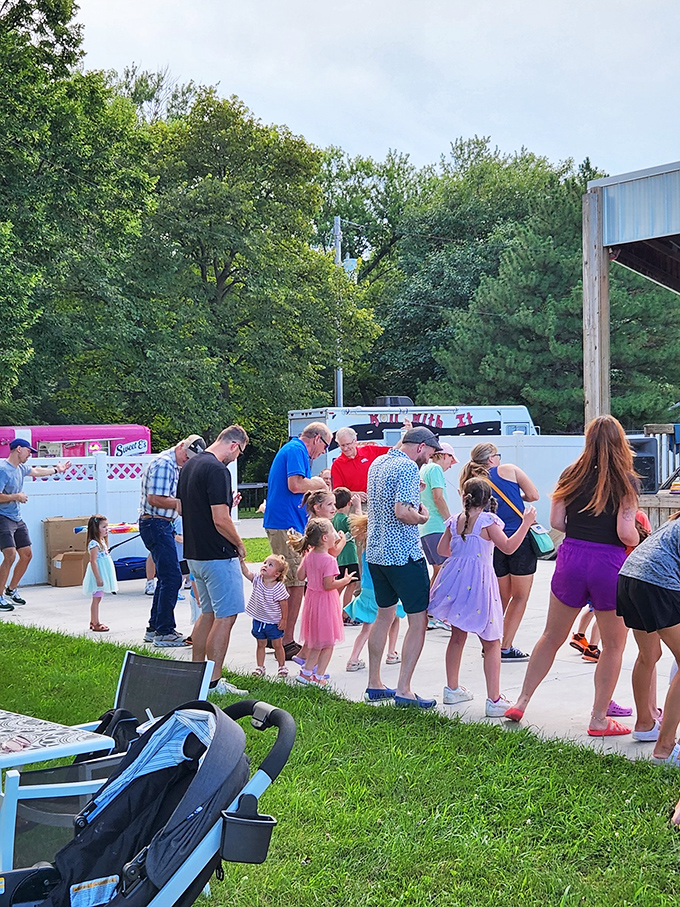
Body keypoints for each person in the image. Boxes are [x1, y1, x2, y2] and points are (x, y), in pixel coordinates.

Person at [505, 415, 640, 735]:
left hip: (572, 557)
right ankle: (597, 719)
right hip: (608, 562)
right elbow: (626, 533)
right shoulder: (627, 482)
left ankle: (521, 701)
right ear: (621, 442)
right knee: (613, 646)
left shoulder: (571, 474)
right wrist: (638, 532)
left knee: (551, 636)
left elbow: (558, 521)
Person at [429, 478, 536, 715]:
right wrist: (526, 523)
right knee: (492, 640)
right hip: (479, 584)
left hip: (456, 582)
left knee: (457, 635)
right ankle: (494, 699)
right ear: (488, 500)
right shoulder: (488, 521)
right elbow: (508, 547)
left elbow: (442, 551)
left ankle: (452, 688)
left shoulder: (454, 521)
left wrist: (462, 554)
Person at [364, 426, 443, 709]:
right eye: (431, 453)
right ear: (420, 447)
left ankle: (374, 683)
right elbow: (402, 511)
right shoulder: (409, 467)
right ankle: (404, 690)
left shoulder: (379, 461)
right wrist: (421, 517)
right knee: (418, 620)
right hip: (404, 555)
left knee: (383, 616)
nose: (430, 459)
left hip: (376, 553)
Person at [177, 425, 248, 694]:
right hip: (218, 554)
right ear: (234, 445)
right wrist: (239, 544)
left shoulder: (190, 465)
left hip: (195, 553)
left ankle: (197, 675)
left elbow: (189, 508)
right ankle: (214, 681)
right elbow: (220, 520)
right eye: (239, 452)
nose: (236, 458)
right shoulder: (218, 470)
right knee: (226, 616)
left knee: (207, 613)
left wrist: (228, 506)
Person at [458, 442, 539, 661]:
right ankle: (505, 646)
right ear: (492, 458)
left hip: (493, 540)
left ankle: (491, 642)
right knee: (520, 597)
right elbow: (533, 495)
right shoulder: (510, 470)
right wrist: (515, 497)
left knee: (501, 596)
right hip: (518, 538)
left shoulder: (470, 481)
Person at [263, 422, 331, 659]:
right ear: (316, 438)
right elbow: (295, 485)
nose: (323, 452)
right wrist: (319, 483)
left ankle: (280, 637)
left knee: (291, 581)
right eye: (325, 446)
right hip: (285, 523)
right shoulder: (296, 450)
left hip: (287, 522)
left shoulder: (296, 450)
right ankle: (286, 640)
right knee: (294, 582)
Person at [616, 512, 680, 763]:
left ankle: (645, 724)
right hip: (657, 583)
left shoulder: (673, 523)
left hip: (629, 577)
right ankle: (664, 749)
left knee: (649, 655)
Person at [139, 434, 206, 647]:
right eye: (187, 457)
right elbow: (154, 498)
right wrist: (180, 504)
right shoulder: (165, 464)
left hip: (159, 524)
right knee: (172, 577)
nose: (187, 462)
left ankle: (155, 627)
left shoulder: (171, 464)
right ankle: (164, 632)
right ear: (180, 447)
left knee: (167, 577)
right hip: (156, 523)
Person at [0, 438, 71, 610]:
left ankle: (11, 589)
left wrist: (56, 469)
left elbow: (37, 471)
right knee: (10, 555)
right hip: (2, 517)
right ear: (18, 449)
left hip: (16, 518)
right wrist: (17, 496)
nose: (30, 455)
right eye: (28, 451)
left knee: (26, 554)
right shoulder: (3, 470)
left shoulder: (20, 468)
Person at [290, 517, 355, 687]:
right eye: (333, 532)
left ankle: (305, 673)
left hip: (312, 600)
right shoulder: (329, 560)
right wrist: (345, 581)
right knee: (328, 642)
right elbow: (328, 585)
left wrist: (305, 559)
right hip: (326, 602)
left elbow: (300, 576)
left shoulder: (310, 556)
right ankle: (319, 677)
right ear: (325, 538)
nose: (336, 535)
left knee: (315, 641)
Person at [344, 512, 404, 672]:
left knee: (367, 627)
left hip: (367, 590)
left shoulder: (365, 547)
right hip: (383, 589)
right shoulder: (383, 548)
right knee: (395, 617)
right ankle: (391, 653)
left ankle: (353, 658)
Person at [240, 554, 290, 678]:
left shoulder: (278, 587)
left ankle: (282, 666)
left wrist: (284, 619)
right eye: (265, 563)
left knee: (277, 644)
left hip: (273, 622)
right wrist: (241, 562)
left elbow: (284, 604)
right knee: (260, 644)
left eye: (270, 565)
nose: (265, 566)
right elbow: (246, 573)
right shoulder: (257, 579)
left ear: (277, 574)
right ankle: (260, 666)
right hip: (258, 619)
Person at [419, 442, 458, 586]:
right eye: (451, 459)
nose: (451, 464)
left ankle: (428, 605)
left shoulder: (424, 469)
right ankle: (436, 605)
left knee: (438, 571)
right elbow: (438, 497)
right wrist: (450, 521)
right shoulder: (435, 469)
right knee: (444, 570)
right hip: (437, 526)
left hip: (425, 528)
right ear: (444, 455)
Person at [82, 514, 117, 632]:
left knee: (98, 597)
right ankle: (96, 622)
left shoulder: (102, 542)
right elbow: (93, 561)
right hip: (98, 573)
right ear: (95, 529)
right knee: (96, 598)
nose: (106, 529)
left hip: (103, 572)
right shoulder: (94, 544)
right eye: (104, 527)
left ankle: (94, 621)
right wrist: (98, 578)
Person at [332, 487, 362, 614]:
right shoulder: (345, 519)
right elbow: (358, 525)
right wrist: (358, 506)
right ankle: (346, 613)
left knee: (340, 584)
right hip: (349, 556)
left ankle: (332, 608)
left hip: (340, 557)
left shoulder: (334, 518)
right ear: (349, 503)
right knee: (351, 584)